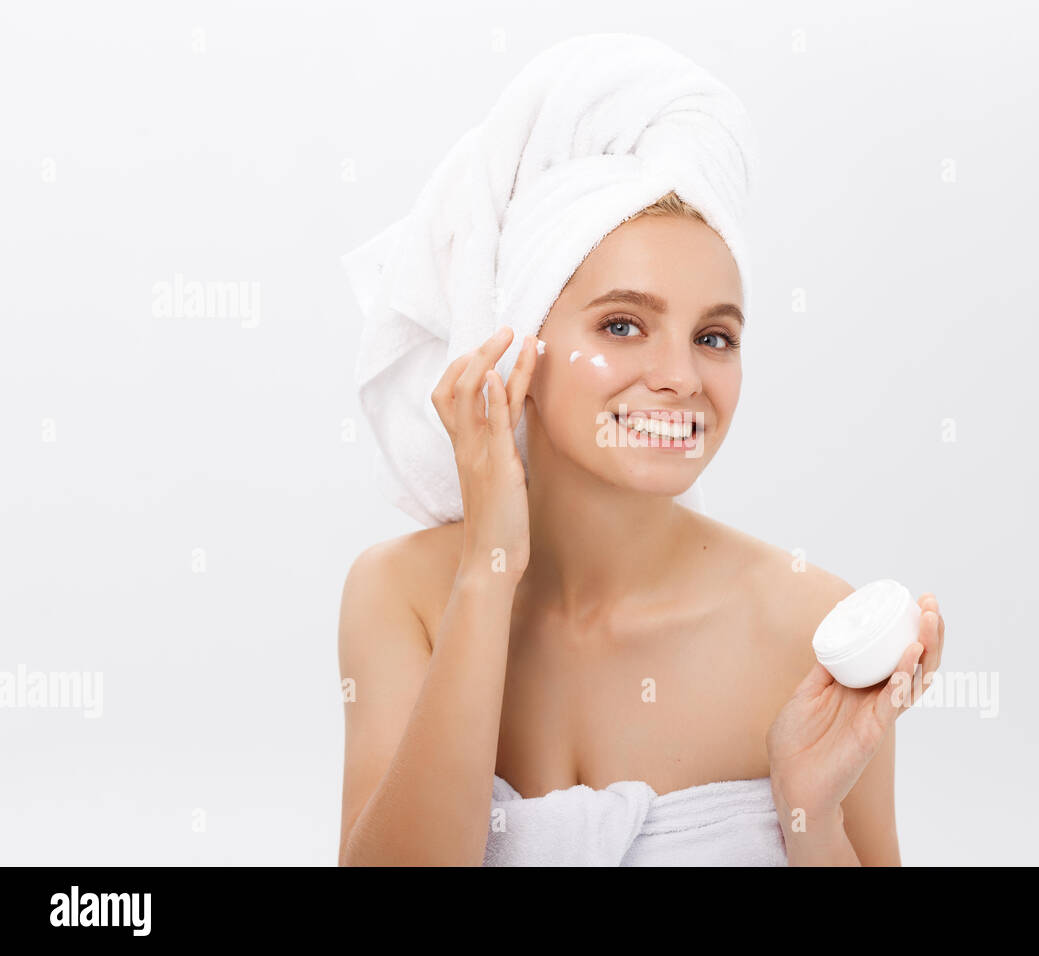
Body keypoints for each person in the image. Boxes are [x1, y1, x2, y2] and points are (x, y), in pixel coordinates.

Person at [336, 190, 946, 866]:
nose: (681, 379)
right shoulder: (402, 596)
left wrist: (812, 813)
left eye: (713, 338)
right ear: (518, 355)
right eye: (622, 325)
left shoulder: (814, 630)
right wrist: (488, 572)